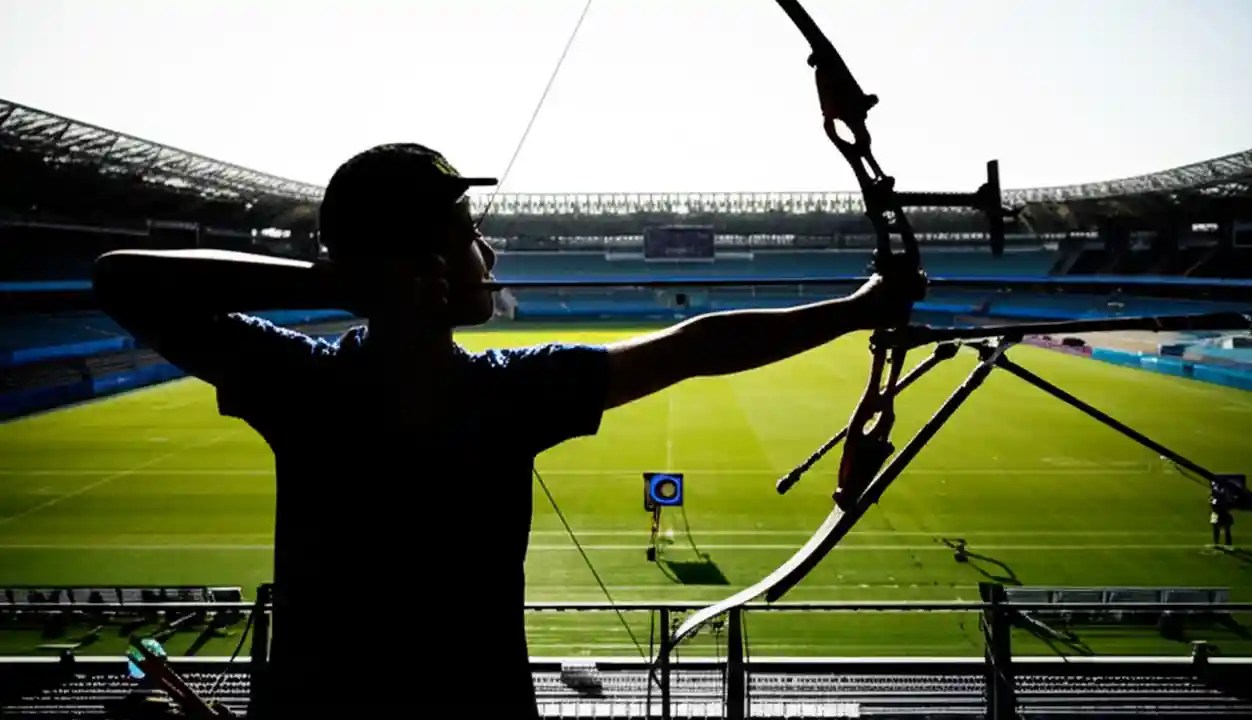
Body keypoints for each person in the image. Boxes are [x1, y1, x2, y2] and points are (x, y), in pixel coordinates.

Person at [92, 142, 924, 717]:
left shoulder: (303, 382)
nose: (487, 252)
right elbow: (696, 347)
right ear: (418, 266)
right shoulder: (507, 392)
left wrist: (348, 284)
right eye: (467, 236)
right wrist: (859, 309)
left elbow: (126, 284)